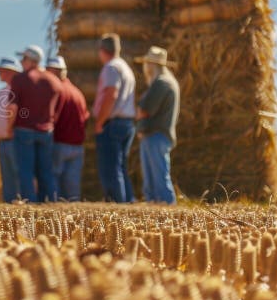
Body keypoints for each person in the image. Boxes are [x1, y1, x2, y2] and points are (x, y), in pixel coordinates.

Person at [8, 45, 62, 202]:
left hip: (24, 130)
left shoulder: (19, 79)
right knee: (46, 171)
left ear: (29, 60)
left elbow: (12, 107)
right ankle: (50, 203)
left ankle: (30, 204)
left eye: (23, 59)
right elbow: (57, 108)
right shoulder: (53, 80)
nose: (21, 62)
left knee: (26, 171)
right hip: (46, 132)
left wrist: (9, 127)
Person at [93, 33, 137, 203]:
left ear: (103, 51)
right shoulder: (126, 67)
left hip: (112, 123)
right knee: (121, 167)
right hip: (127, 122)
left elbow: (111, 94)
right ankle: (127, 201)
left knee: (110, 168)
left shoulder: (111, 67)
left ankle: (117, 204)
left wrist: (100, 122)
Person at [134, 46, 179, 204]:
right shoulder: (167, 81)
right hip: (157, 135)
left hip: (156, 136)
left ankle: (168, 214)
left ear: (151, 65)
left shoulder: (161, 83)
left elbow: (144, 110)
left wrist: (139, 112)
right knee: (154, 180)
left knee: (157, 182)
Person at [45, 56, 89, 202]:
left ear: (54, 71)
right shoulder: (77, 93)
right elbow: (85, 118)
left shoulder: (57, 91)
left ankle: (55, 220)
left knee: (55, 185)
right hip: (77, 146)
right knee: (72, 188)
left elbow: (52, 117)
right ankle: (74, 221)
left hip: (60, 143)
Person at [0, 57, 23, 202]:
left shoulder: (19, 91)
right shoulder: (1, 92)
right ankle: (9, 204)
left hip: (14, 139)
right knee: (7, 175)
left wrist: (10, 128)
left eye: (2, 71)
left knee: (17, 174)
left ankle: (20, 203)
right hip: (3, 139)